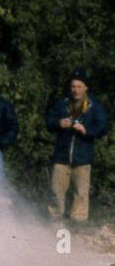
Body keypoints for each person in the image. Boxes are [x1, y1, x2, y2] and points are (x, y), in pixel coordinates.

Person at [45, 69, 109, 224]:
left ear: (86, 87)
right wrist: (58, 123)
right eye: (73, 86)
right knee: (56, 191)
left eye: (79, 86)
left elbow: (102, 127)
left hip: (83, 157)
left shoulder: (94, 106)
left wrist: (86, 130)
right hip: (61, 156)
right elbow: (49, 121)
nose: (76, 90)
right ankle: (54, 221)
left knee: (81, 193)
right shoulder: (62, 103)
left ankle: (78, 223)